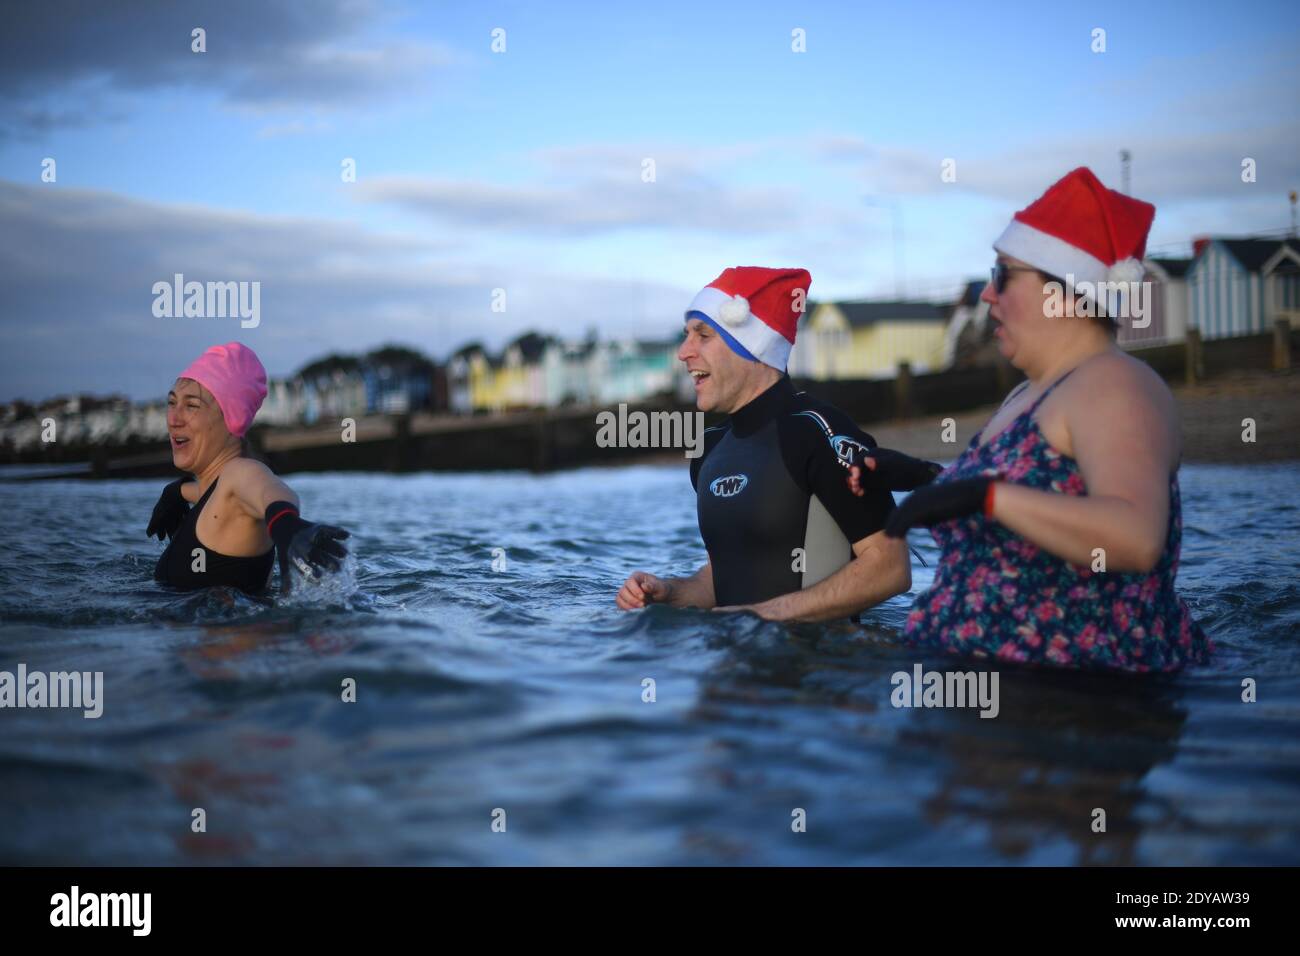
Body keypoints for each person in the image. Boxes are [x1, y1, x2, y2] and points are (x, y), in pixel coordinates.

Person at [850, 167, 1211, 671]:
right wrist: (926, 479)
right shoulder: (1029, 392)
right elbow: (1036, 493)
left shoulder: (1114, 384)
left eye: (1003, 274)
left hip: (1077, 702)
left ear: (1061, 290)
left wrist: (983, 495)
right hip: (994, 687)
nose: (987, 295)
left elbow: (1136, 537)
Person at [616, 266, 935, 623]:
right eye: (686, 335)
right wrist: (671, 593)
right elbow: (722, 580)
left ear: (752, 347)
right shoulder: (708, 448)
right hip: (733, 666)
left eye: (702, 335)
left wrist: (762, 616)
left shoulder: (818, 431)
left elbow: (890, 569)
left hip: (819, 669)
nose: (683, 352)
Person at [148, 342, 349, 595]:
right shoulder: (222, 494)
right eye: (172, 402)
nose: (173, 419)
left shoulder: (241, 472)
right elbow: (210, 492)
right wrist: (176, 492)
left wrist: (288, 525)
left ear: (232, 418)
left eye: (191, 406)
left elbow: (268, 491)